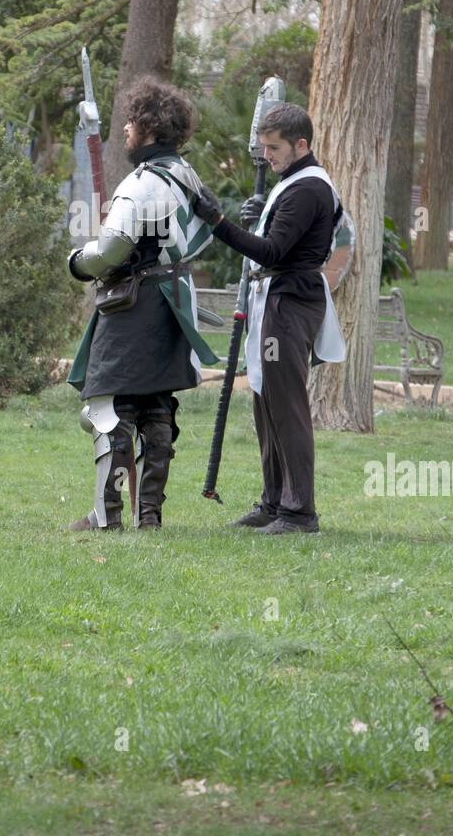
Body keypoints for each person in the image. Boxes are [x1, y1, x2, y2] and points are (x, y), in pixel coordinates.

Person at [66, 77, 218, 531]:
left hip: (132, 302)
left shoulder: (144, 182)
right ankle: (147, 515)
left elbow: (111, 250)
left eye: (131, 122)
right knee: (155, 404)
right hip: (172, 299)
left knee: (109, 408)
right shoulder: (188, 176)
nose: (126, 130)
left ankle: (106, 515)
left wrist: (77, 261)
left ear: (149, 127)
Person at [193, 103, 346, 536]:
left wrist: (218, 222)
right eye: (263, 147)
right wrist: (257, 217)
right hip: (275, 300)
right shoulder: (291, 184)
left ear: (302, 144)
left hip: (289, 302)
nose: (267, 156)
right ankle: (275, 501)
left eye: (274, 148)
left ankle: (299, 513)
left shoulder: (307, 189)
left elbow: (272, 252)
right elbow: (271, 239)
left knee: (286, 404)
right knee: (265, 401)